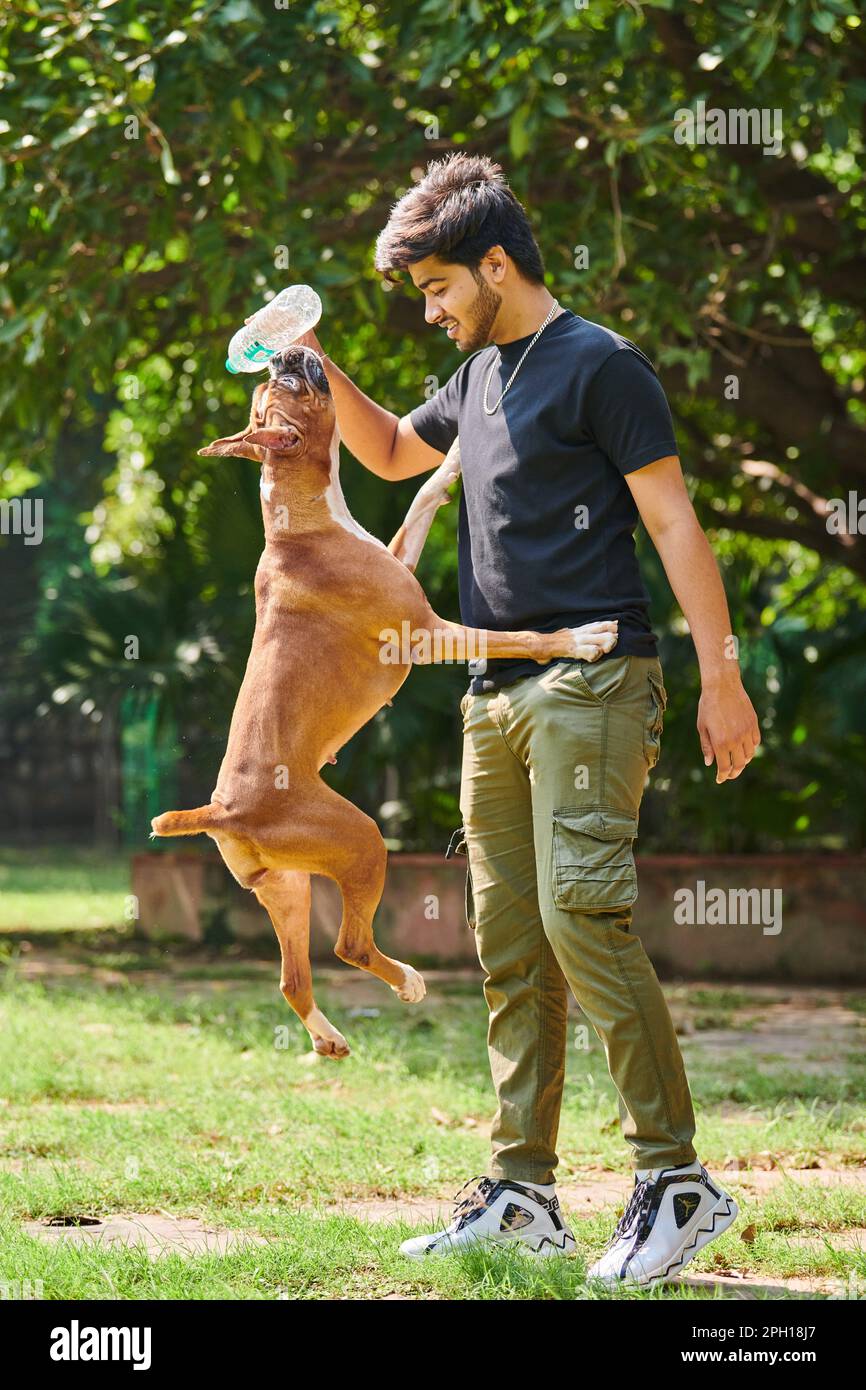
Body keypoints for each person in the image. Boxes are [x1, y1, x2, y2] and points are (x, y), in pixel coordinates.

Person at [293, 152, 760, 1287]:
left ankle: (674, 1181)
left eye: (439, 286)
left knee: (579, 916)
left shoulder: (601, 366)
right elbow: (396, 451)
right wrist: (314, 368)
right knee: (509, 942)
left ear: (495, 263)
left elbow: (674, 526)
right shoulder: (484, 376)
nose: (433, 309)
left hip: (594, 680)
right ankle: (522, 1193)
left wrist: (721, 675)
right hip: (490, 693)